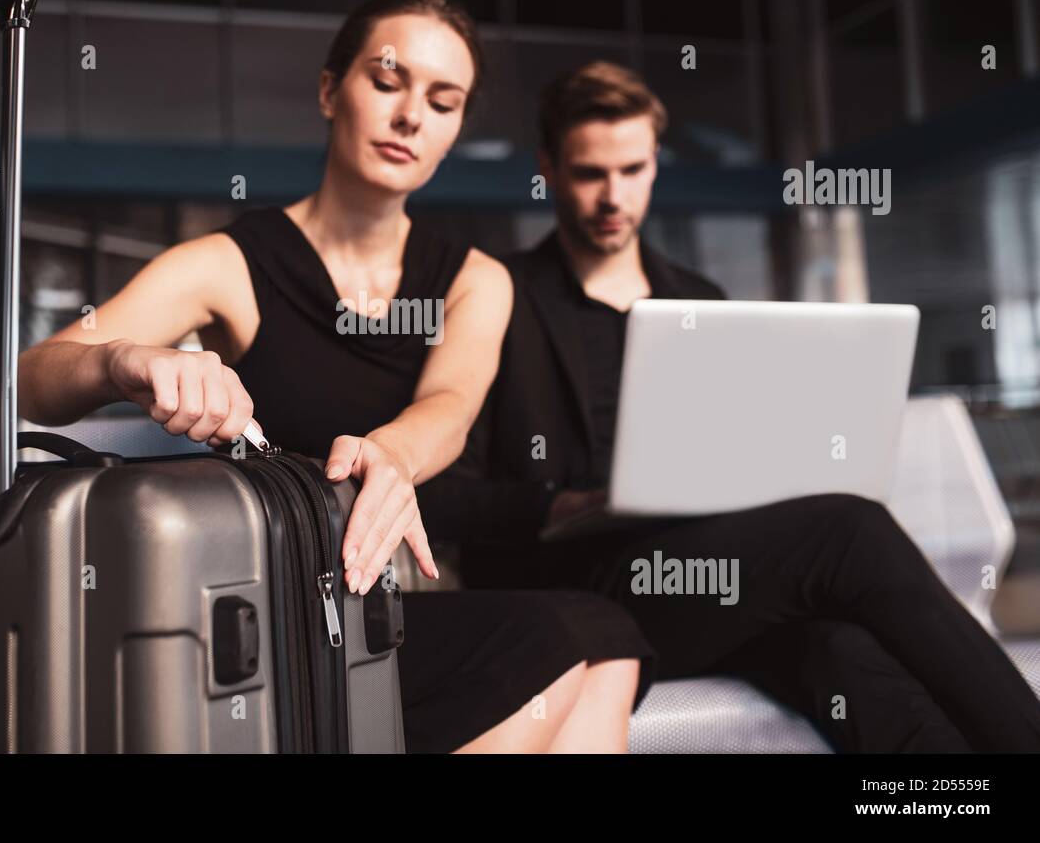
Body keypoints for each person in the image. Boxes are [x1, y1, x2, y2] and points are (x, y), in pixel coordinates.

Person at [18, 0, 655, 753]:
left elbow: (449, 404)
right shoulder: (230, 266)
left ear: (454, 128)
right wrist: (124, 359)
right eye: (388, 82)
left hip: (403, 606)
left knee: (606, 641)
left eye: (442, 101)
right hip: (282, 611)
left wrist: (393, 454)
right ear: (330, 91)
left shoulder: (475, 279)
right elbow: (35, 376)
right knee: (577, 635)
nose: (412, 116)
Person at [417, 59, 1040, 752]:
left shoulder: (699, 299)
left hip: (711, 587)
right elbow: (442, 499)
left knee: (842, 655)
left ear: (655, 163)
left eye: (632, 170)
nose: (612, 196)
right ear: (550, 169)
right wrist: (566, 504)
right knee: (847, 530)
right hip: (576, 594)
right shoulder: (500, 297)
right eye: (591, 173)